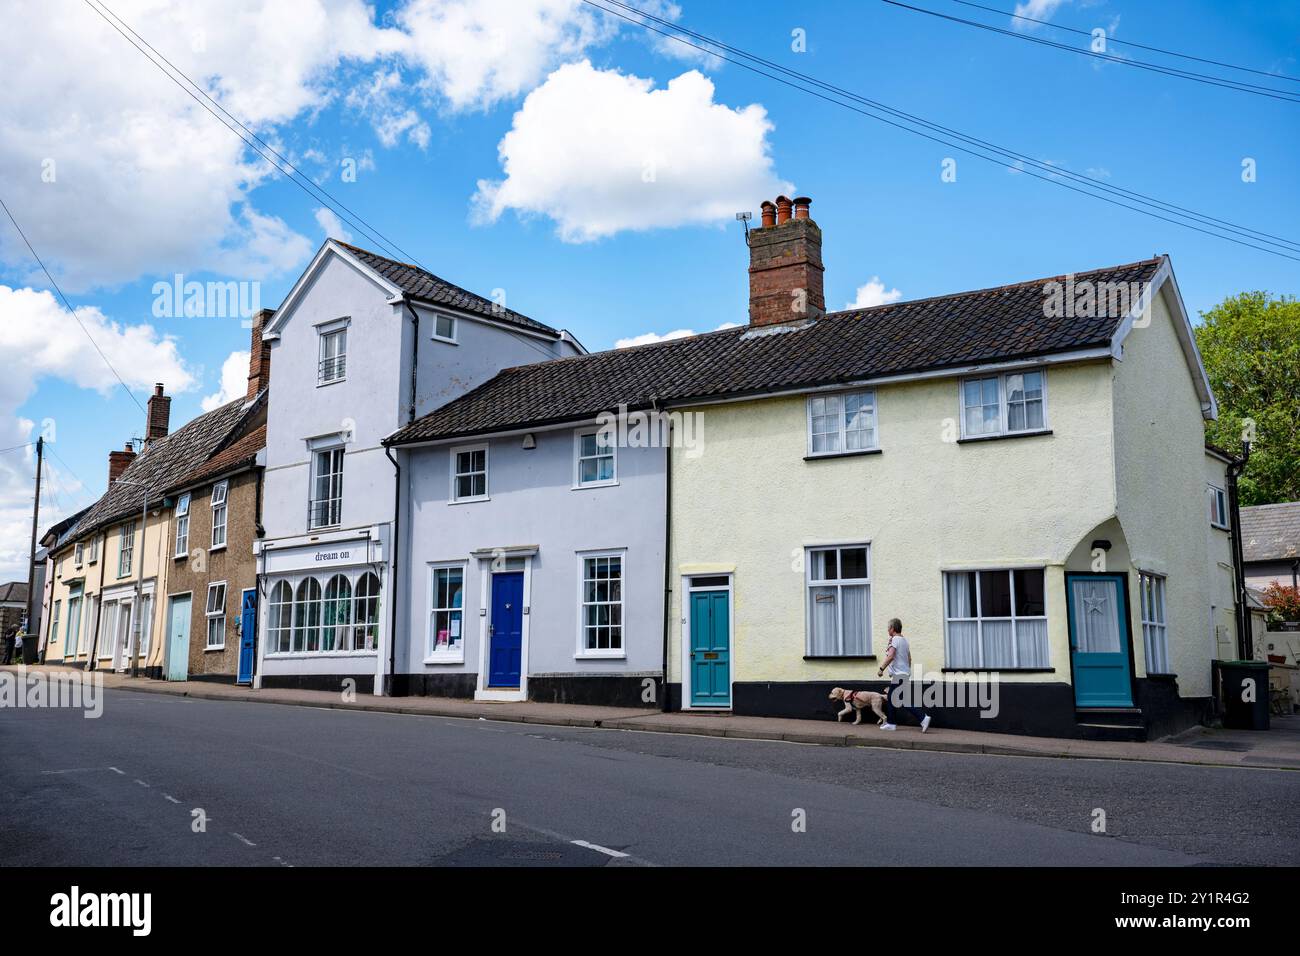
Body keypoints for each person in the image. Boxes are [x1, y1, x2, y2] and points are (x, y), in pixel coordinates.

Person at [876, 618, 931, 732]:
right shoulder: (904, 640)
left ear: (892, 628)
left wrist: (881, 669)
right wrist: (905, 670)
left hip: (899, 675)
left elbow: (890, 656)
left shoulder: (895, 639)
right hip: (904, 674)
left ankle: (923, 718)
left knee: (898, 699)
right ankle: (892, 723)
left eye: (888, 628)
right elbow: (909, 658)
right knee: (893, 699)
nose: (887, 630)